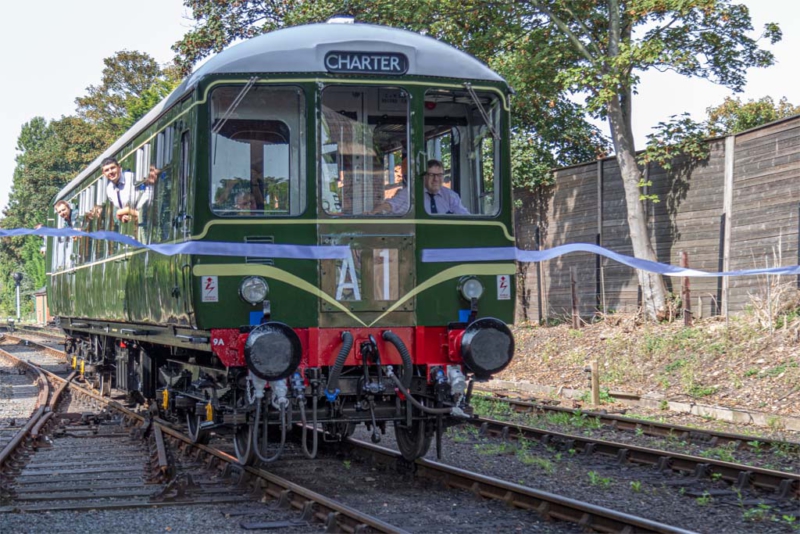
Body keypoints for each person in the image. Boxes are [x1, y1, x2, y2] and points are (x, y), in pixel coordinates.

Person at [377, 159, 469, 215]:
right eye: (431, 175)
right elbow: (390, 205)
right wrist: (373, 213)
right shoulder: (409, 193)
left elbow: (464, 217)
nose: (436, 179)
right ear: (424, 176)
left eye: (440, 175)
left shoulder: (451, 196)